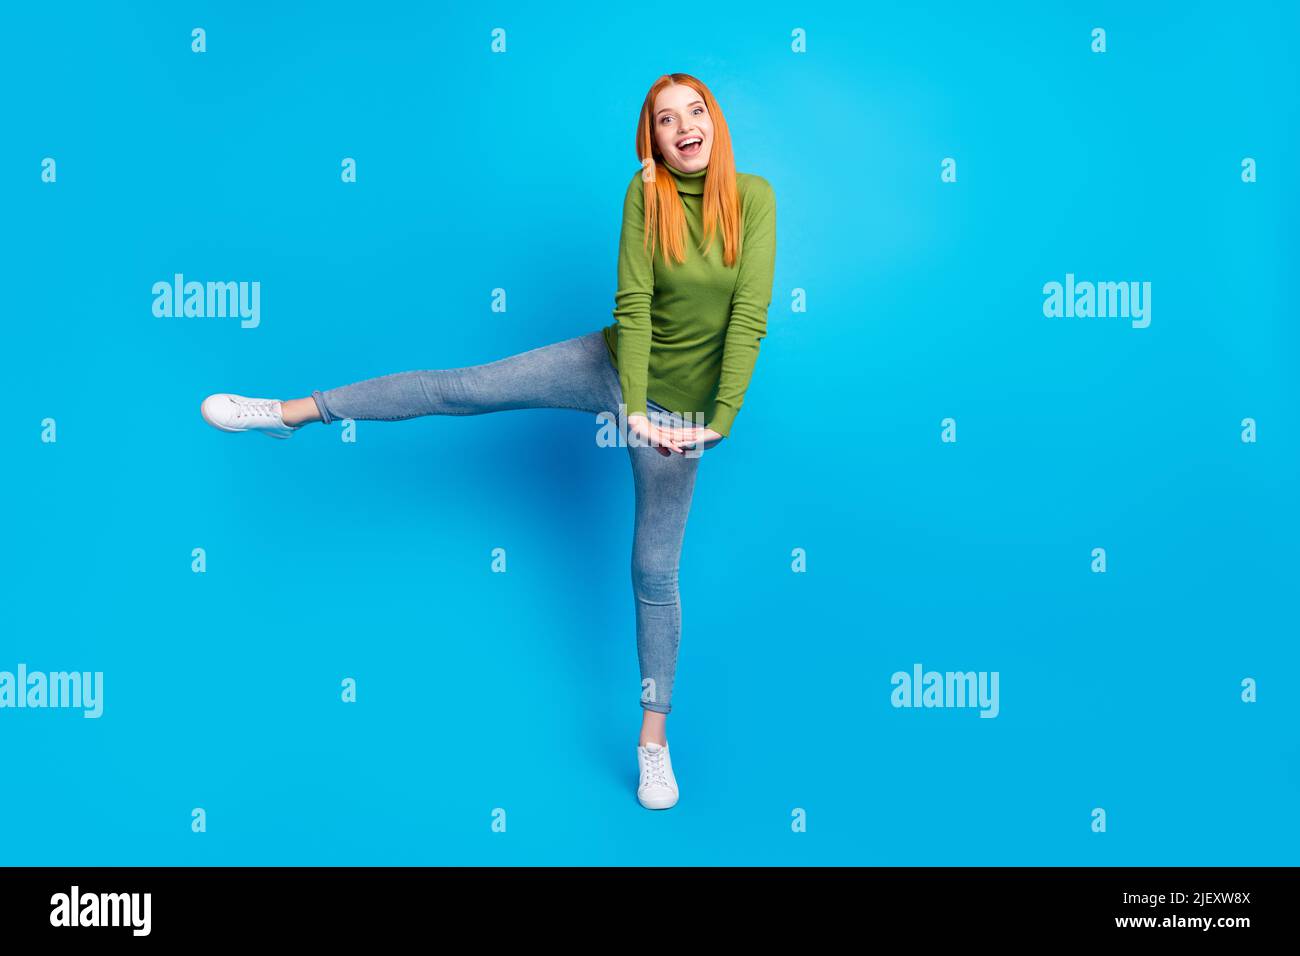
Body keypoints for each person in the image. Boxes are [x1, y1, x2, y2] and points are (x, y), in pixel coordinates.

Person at [199, 72, 776, 810]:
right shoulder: (645, 196)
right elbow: (632, 307)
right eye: (667, 120)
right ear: (653, 140)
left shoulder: (754, 199)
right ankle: (290, 411)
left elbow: (749, 318)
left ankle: (653, 745)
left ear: (715, 123)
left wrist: (715, 423)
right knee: (462, 387)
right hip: (614, 369)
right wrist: (629, 405)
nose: (685, 126)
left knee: (654, 572)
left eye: (696, 112)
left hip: (683, 417)